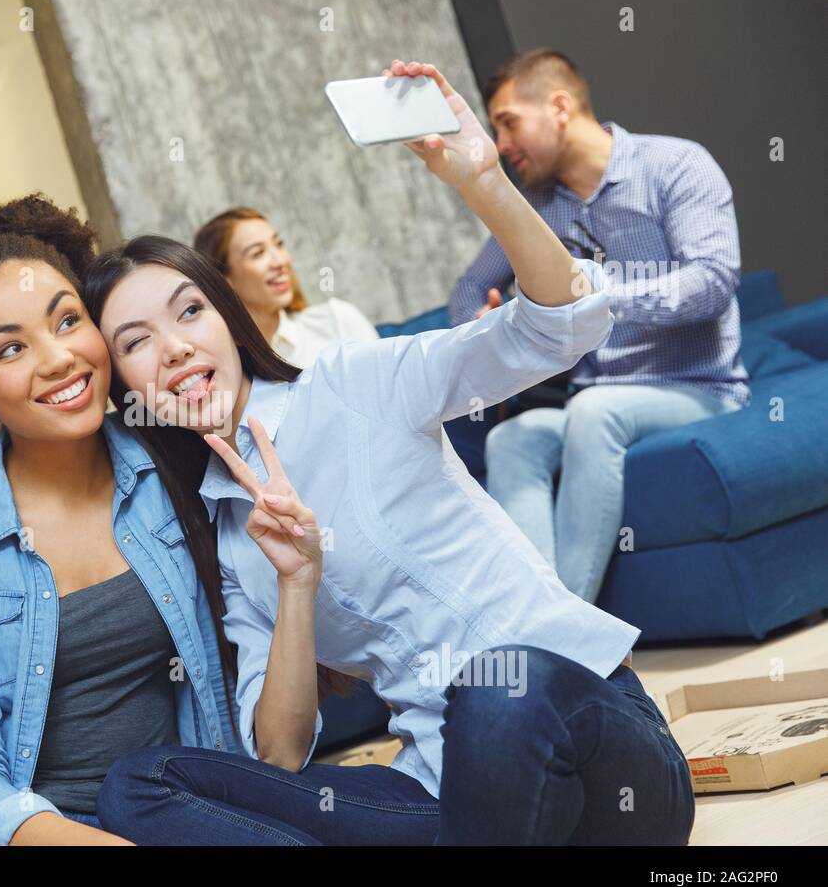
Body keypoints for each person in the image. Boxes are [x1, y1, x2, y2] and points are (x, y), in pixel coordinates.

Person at [85, 60, 696, 845]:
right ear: (126, 386)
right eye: (136, 342)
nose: (173, 348)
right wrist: (297, 581)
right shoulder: (229, 537)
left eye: (189, 311)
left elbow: (564, 327)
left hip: (592, 747)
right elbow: (279, 751)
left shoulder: (350, 383)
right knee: (142, 786)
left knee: (495, 689)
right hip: (441, 791)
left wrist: (485, 184)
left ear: (229, 316)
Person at [0, 194, 239, 846]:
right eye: (10, 350)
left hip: (155, 808)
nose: (58, 358)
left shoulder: (172, 459)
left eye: (67, 321)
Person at [448, 49, 748, 602]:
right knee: (515, 437)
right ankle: (544, 619)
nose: (501, 144)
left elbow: (711, 281)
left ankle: (572, 637)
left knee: (591, 410)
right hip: (600, 397)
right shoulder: (538, 207)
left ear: (559, 106)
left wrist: (595, 297)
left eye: (508, 122)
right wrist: (481, 322)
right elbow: (470, 287)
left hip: (698, 389)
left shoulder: (676, 165)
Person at [193, 207, 378, 366]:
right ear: (223, 279)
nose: (281, 261)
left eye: (279, 244)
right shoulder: (228, 371)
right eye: (258, 253)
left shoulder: (337, 320)